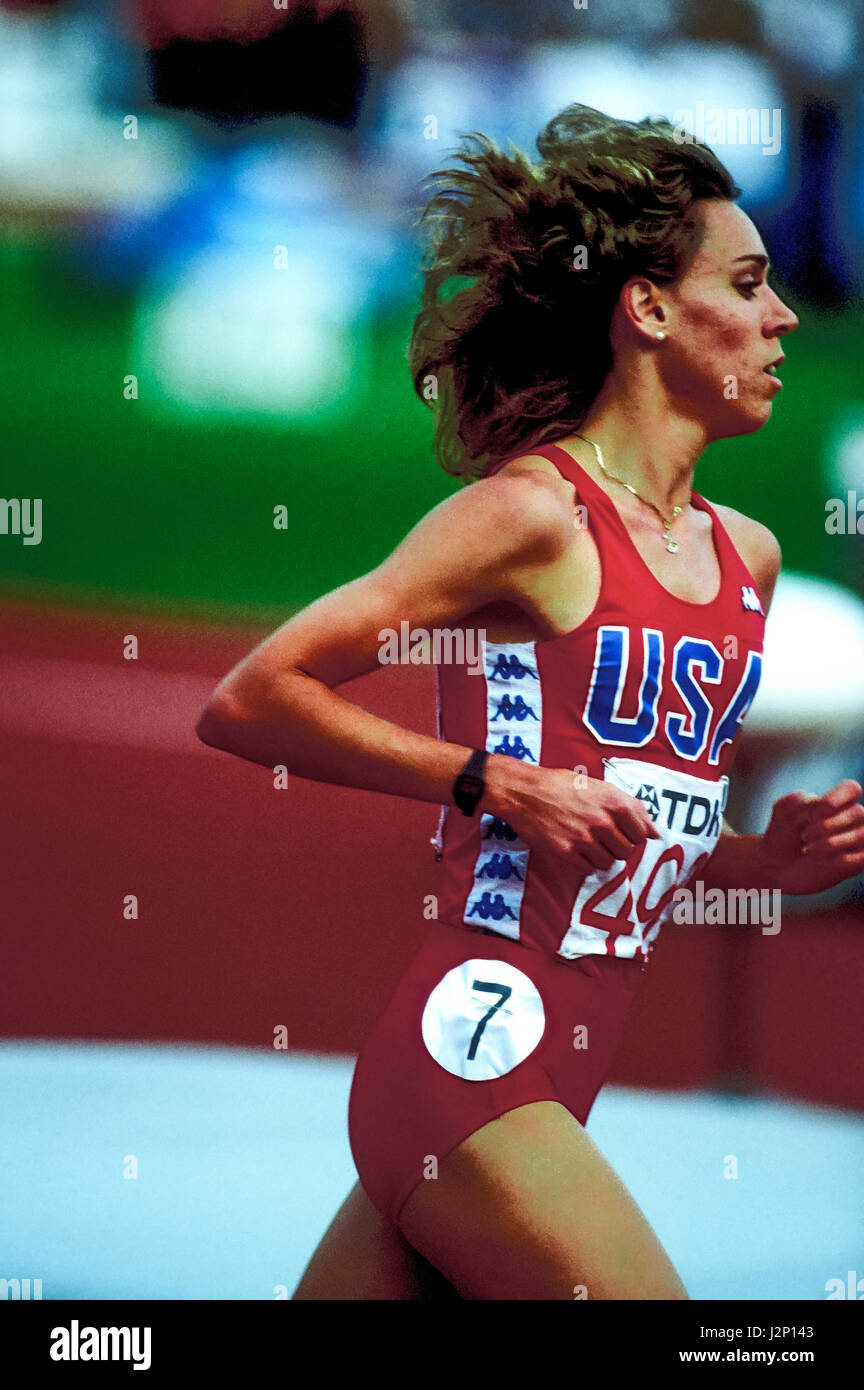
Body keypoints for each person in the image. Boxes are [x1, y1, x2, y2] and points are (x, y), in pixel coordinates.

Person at [196, 105, 864, 1300]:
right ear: (648, 310)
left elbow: (630, 840)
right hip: (469, 1058)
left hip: (563, 1073)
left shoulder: (745, 559)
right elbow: (252, 698)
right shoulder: (531, 517)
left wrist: (768, 861)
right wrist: (487, 778)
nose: (784, 317)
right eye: (750, 283)